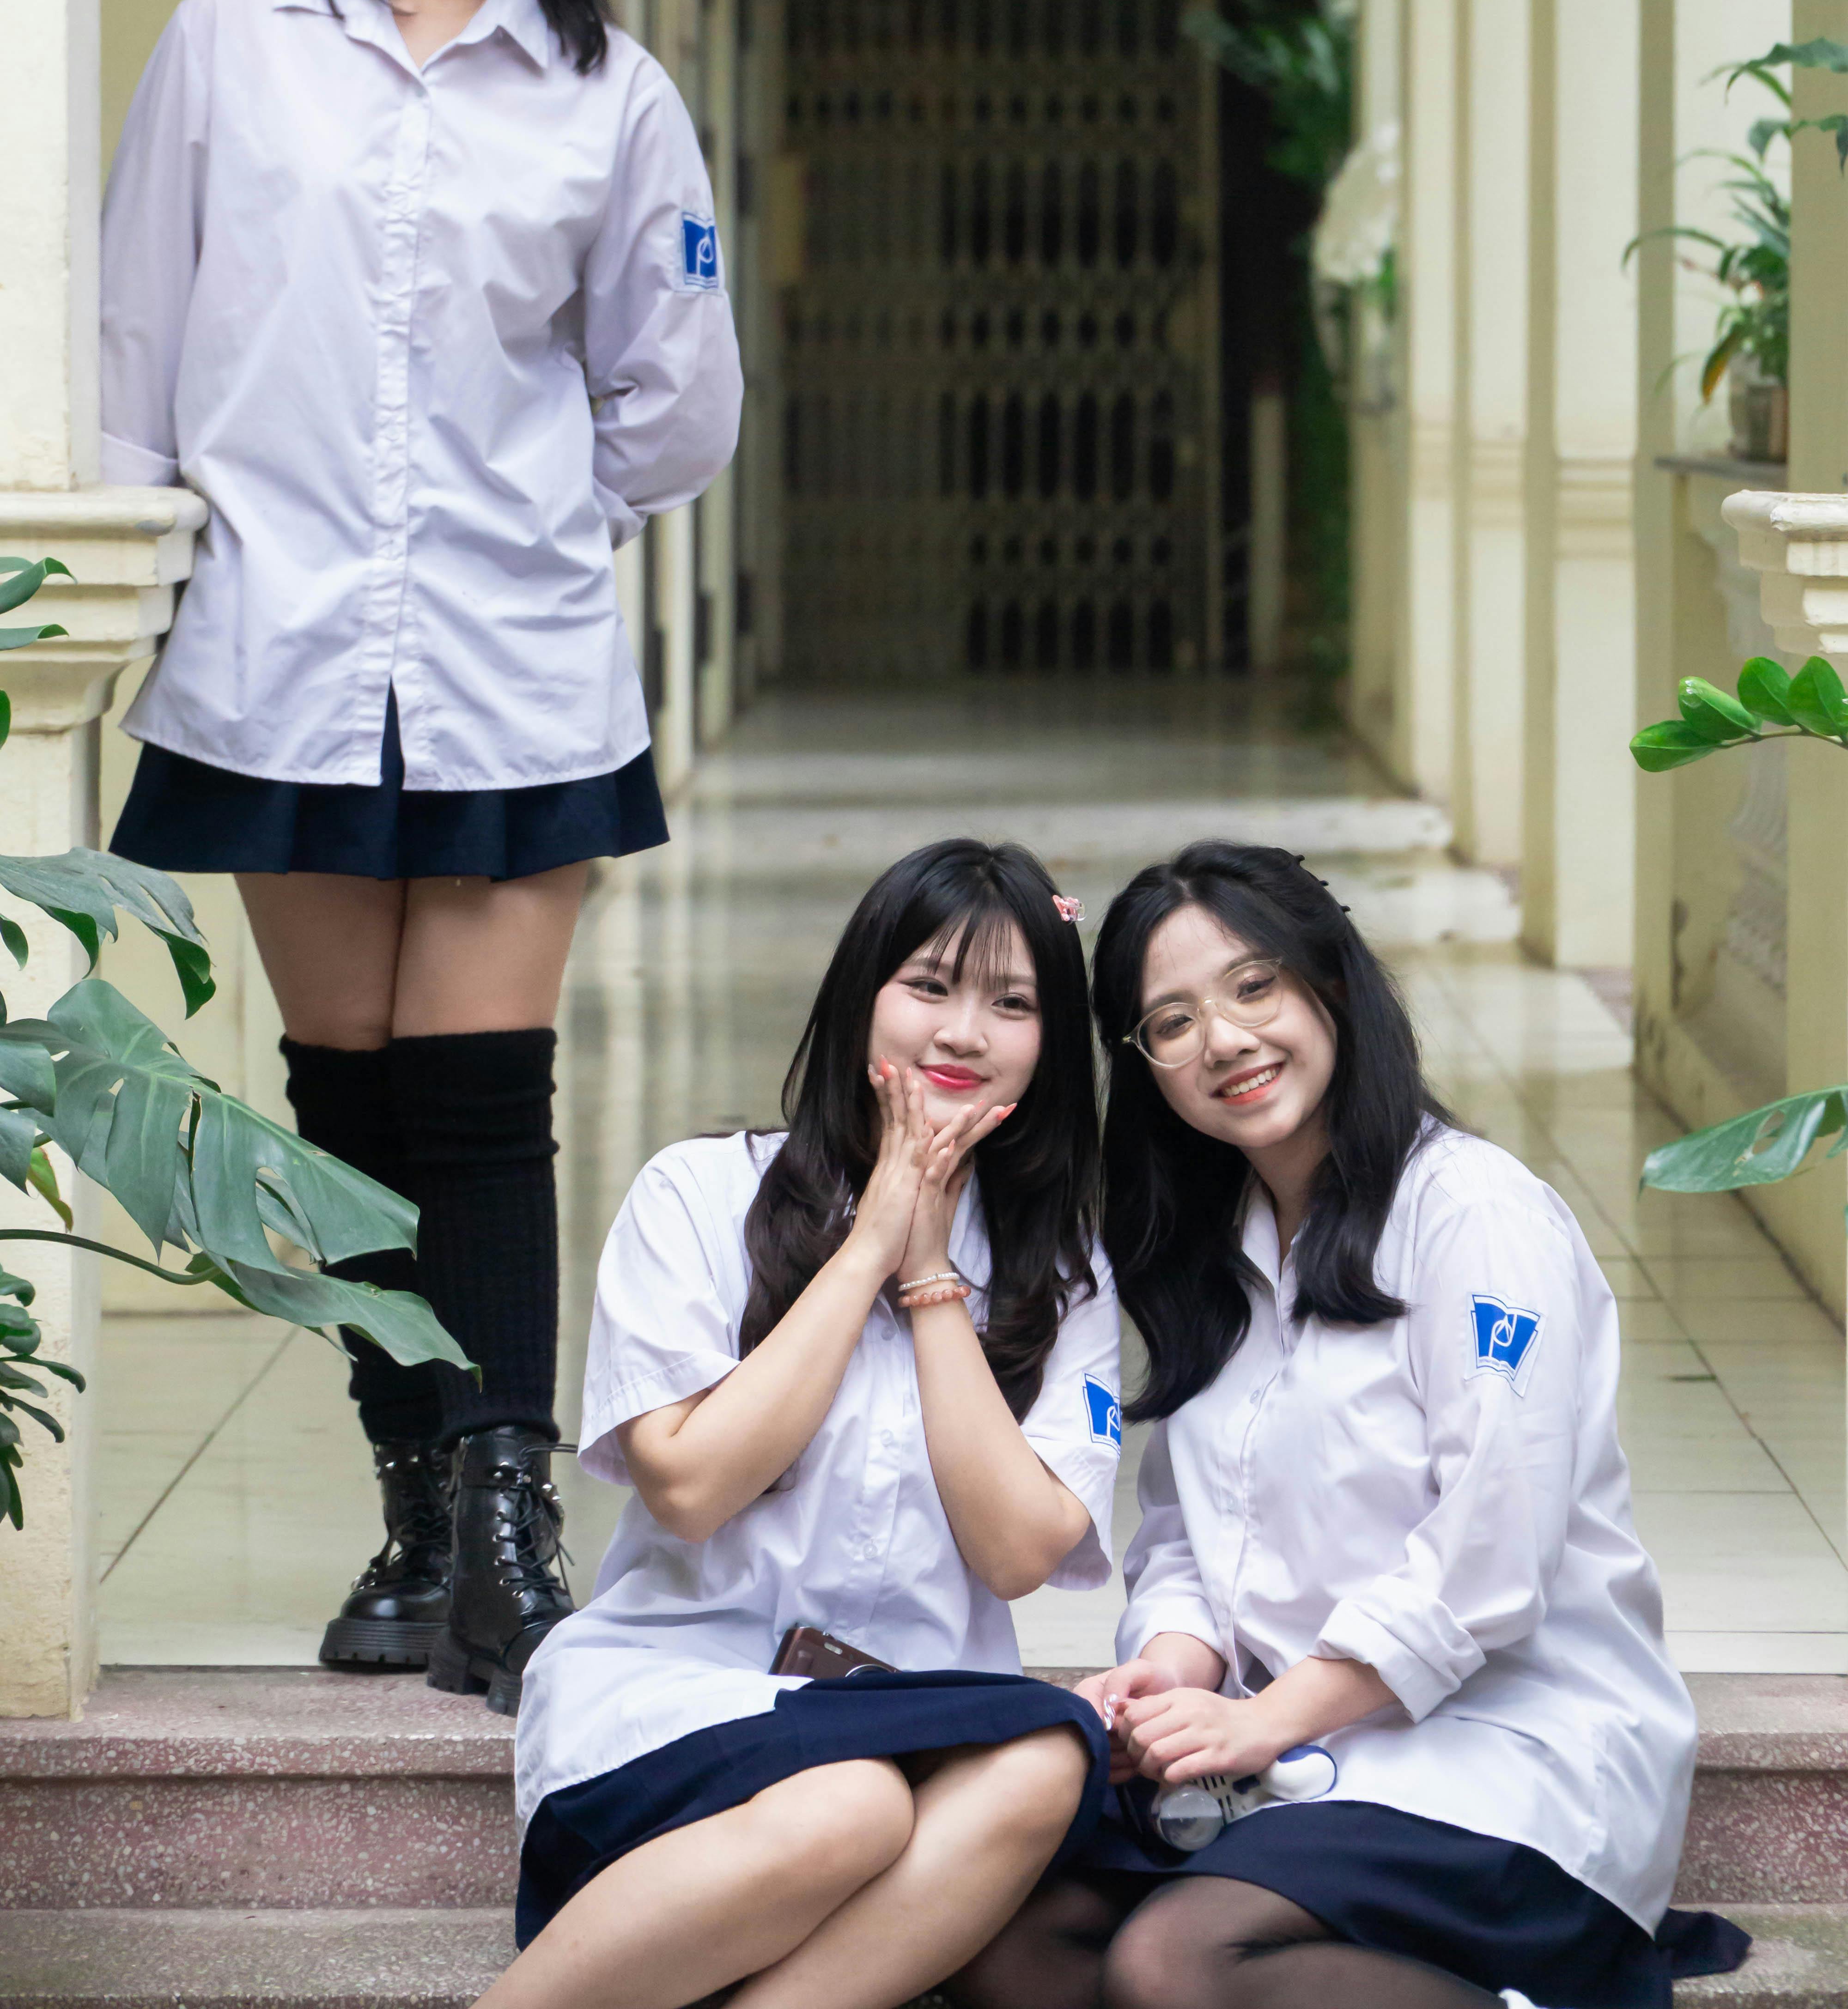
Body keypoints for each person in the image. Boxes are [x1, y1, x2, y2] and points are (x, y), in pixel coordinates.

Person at [98, 0, 742, 1709]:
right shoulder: (231, 39)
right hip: (274, 644)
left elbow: (674, 401)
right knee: (342, 1110)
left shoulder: (607, 93)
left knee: (476, 1101)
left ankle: (504, 1526)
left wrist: (539, 500)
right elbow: (137, 338)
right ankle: (418, 1532)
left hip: (506, 652)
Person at [952, 842, 1745, 2009]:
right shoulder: (1205, 1258)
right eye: (1168, 1023)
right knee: (998, 1933)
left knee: (1172, 1962)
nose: (1222, 1040)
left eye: (1252, 986)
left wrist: (1261, 1717)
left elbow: (1492, 1552)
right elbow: (1181, 1533)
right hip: (1290, 1764)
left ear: (1330, 981)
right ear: (1144, 1066)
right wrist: (1167, 1675)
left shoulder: (1469, 1215)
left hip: (1507, 1757)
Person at [495, 840, 1121, 2009]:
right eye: (928, 986)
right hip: (676, 1699)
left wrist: (932, 1282)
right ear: (858, 1000)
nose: (961, 1033)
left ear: (1048, 1046)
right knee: (848, 1799)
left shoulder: (1060, 1274)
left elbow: (1019, 1552)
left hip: (920, 1713)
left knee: (1043, 1762)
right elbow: (686, 1486)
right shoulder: (698, 1194)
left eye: (1012, 1003)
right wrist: (876, 1234)